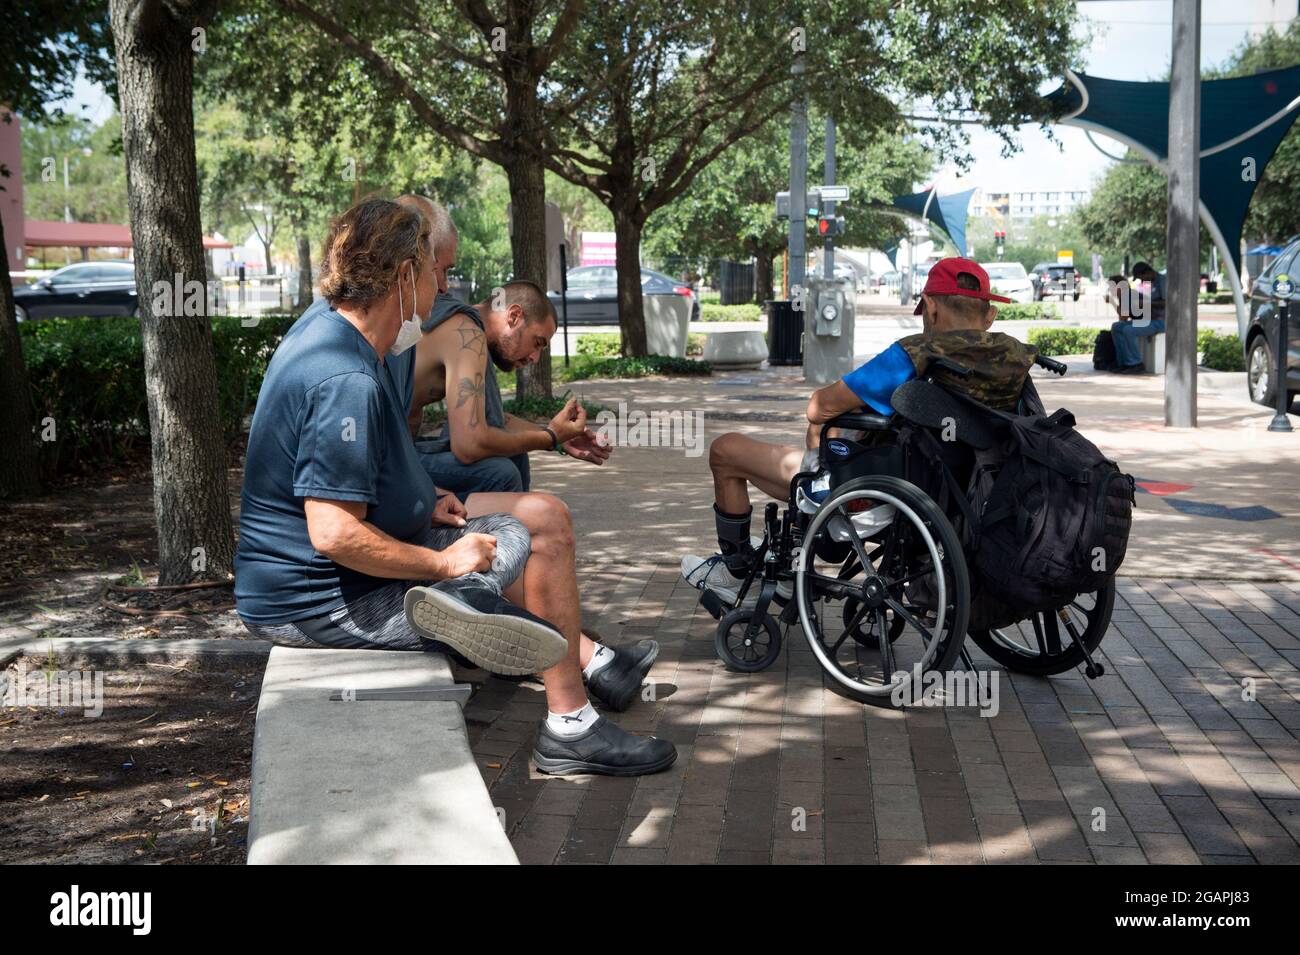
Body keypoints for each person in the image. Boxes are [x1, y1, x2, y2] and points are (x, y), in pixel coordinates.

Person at [235, 198, 673, 777]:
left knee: (516, 532)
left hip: (319, 584)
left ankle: (488, 621)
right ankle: (513, 658)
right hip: (323, 602)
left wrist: (422, 494)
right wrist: (441, 567)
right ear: (404, 276)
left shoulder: (330, 334)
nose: (443, 291)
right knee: (508, 541)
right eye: (435, 272)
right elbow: (334, 531)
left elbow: (363, 476)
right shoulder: (344, 377)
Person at [680, 257, 1038, 602]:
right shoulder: (1013, 361)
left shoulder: (915, 353)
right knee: (828, 442)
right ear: (990, 314)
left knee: (725, 450)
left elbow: (819, 405)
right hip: (964, 494)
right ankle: (789, 553)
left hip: (879, 489)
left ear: (930, 307)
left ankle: (736, 572)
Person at [1109, 261, 1165, 374]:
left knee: (1128, 330)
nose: (1142, 281)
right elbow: (1123, 318)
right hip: (1148, 319)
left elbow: (1167, 303)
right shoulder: (1149, 284)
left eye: (1141, 277)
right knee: (1117, 327)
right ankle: (1124, 363)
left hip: (1161, 321)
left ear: (1148, 272)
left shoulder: (1163, 281)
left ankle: (1135, 363)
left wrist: (1145, 304)